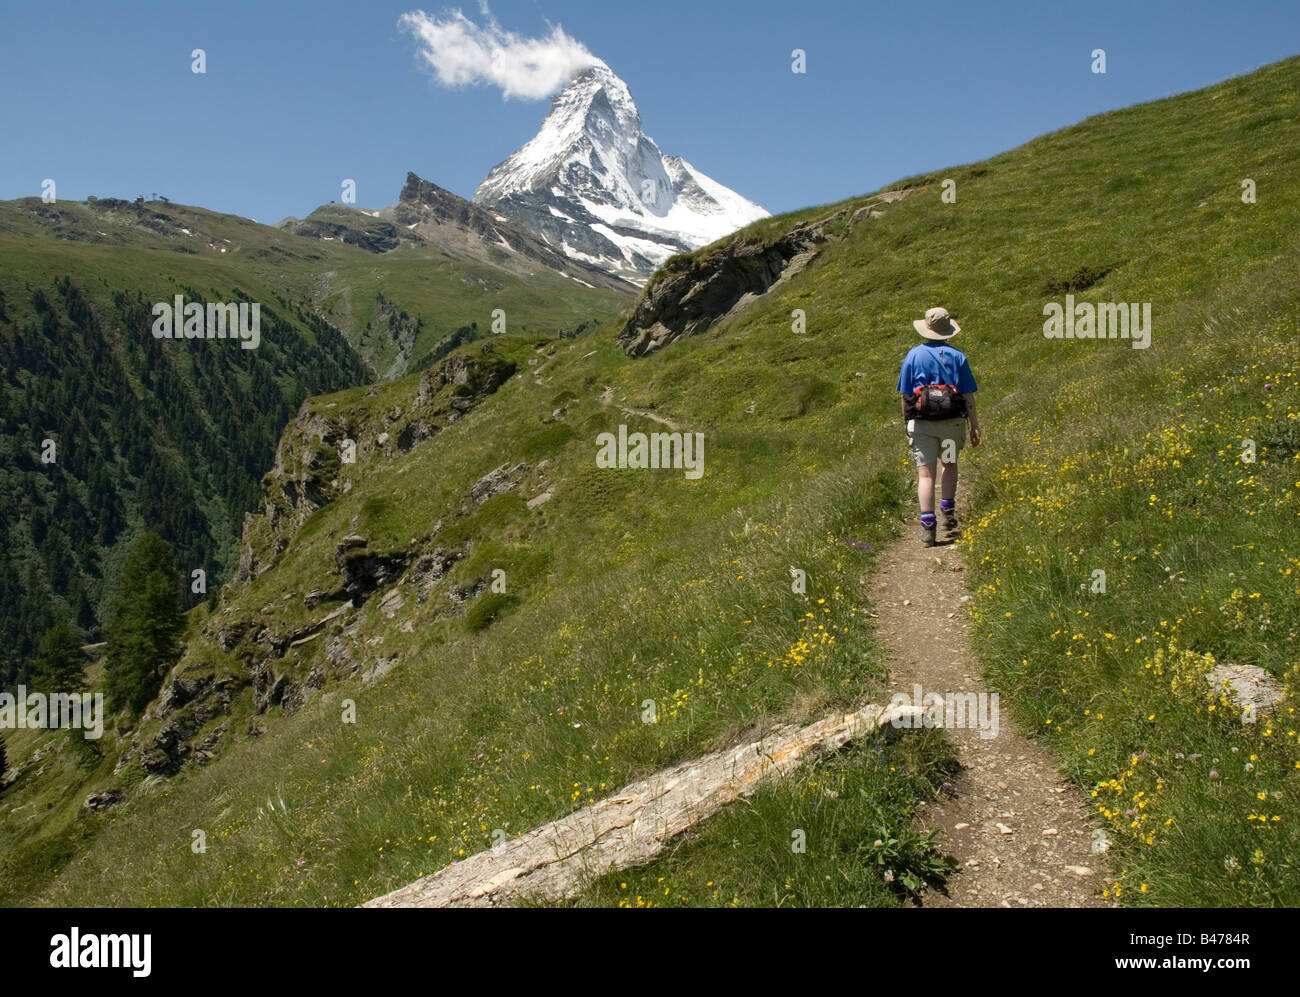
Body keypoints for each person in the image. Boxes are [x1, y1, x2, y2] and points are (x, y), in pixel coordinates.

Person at [896, 307, 981, 547]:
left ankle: (928, 527)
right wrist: (974, 425)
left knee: (925, 474)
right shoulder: (958, 357)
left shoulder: (913, 356)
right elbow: (967, 396)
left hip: (922, 424)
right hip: (952, 424)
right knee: (950, 464)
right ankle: (948, 514)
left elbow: (904, 395)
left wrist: (907, 422)